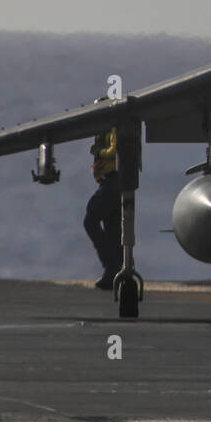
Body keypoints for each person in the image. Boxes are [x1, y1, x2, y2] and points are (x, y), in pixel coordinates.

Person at [84, 103, 122, 290]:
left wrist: (98, 152)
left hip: (114, 182)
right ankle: (115, 271)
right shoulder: (104, 129)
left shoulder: (114, 126)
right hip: (111, 182)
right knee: (113, 229)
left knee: (91, 220)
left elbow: (116, 149)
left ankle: (111, 266)